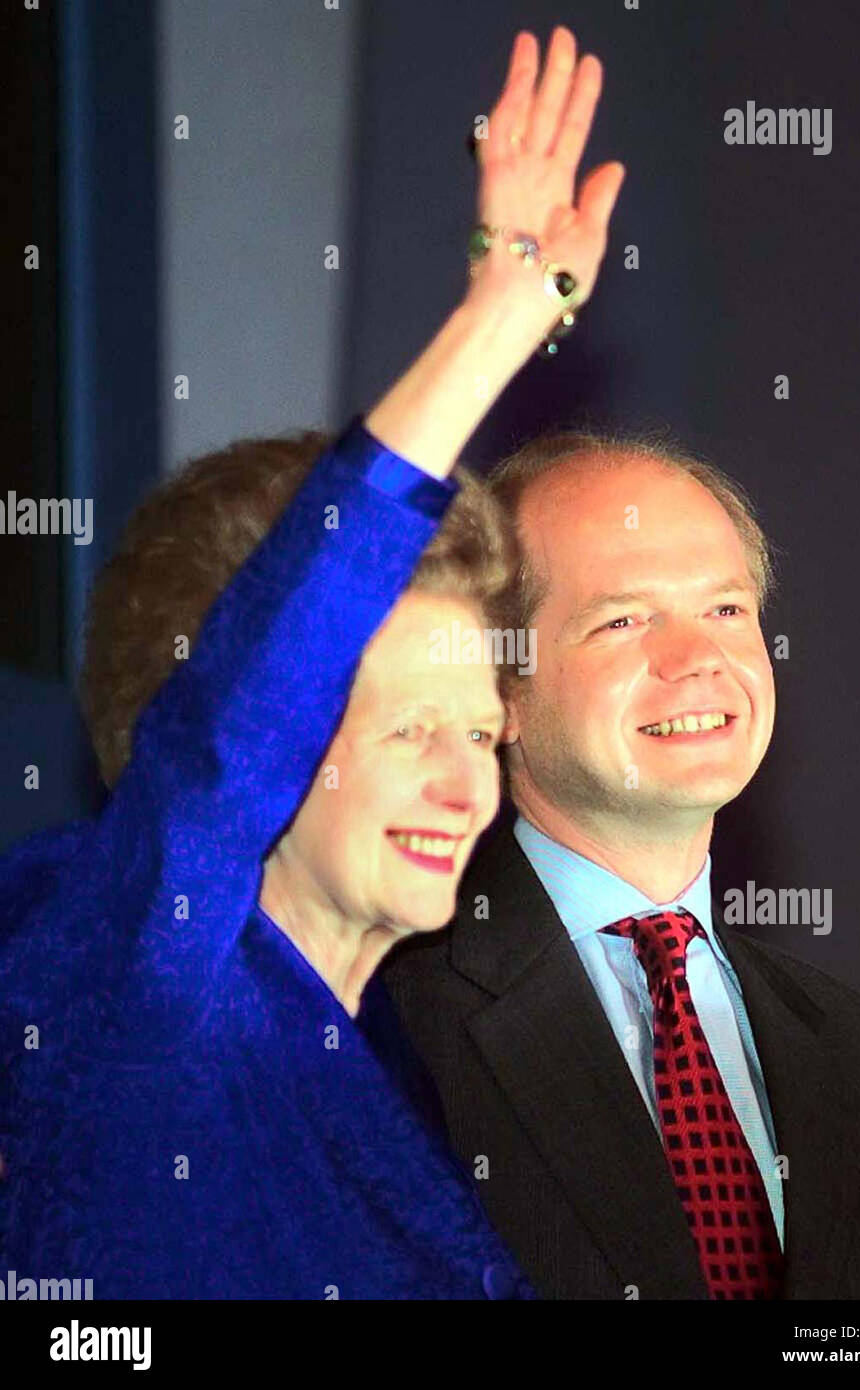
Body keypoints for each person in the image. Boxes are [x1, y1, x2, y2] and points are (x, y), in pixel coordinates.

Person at [0, 27, 625, 1299]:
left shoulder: (392, 1074)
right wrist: (500, 316)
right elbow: (229, 735)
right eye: (405, 732)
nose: (465, 788)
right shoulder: (129, 983)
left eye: (478, 735)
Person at [383, 332, 860, 1290]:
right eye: (623, 618)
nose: (699, 656)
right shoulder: (382, 1025)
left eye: (728, 610)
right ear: (500, 691)